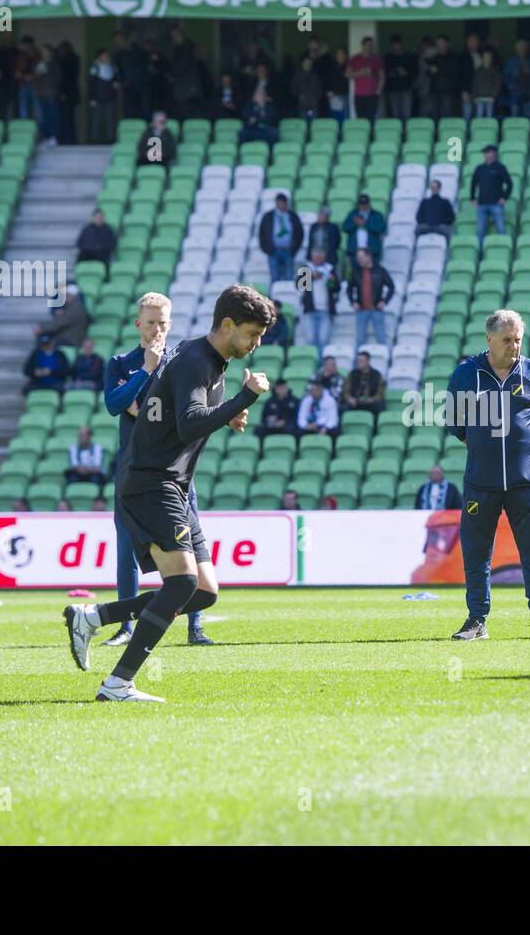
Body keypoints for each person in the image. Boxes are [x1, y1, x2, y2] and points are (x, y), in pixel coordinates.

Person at [63, 285, 275, 701]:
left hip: (172, 483)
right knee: (181, 584)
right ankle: (117, 684)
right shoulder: (198, 361)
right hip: (151, 482)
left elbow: (189, 415)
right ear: (227, 325)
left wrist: (228, 414)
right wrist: (243, 399)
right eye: (252, 334)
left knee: (203, 592)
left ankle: (93, 617)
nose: (257, 343)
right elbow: (190, 423)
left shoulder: (203, 356)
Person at [100, 293, 212, 647]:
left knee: (189, 549)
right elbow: (115, 405)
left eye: (163, 323)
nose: (157, 329)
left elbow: (173, 410)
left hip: (177, 471)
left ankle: (196, 625)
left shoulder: (181, 362)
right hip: (132, 471)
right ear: (138, 324)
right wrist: (147, 370)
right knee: (126, 548)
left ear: (171, 323)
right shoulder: (120, 363)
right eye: (150, 323)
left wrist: (141, 400)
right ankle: (125, 627)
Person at [446, 310, 530, 641]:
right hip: (481, 482)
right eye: (507, 340)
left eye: (518, 340)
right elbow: (455, 424)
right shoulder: (466, 374)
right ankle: (477, 620)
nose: (514, 347)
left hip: (527, 483)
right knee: (476, 555)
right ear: (489, 339)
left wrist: (524, 451)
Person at [347, 249, 393, 349]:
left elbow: (391, 286)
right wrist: (353, 302)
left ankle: (383, 360)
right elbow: (349, 289)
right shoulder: (356, 272)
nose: (358, 260)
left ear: (368, 257)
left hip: (376, 309)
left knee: (381, 338)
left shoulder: (380, 270)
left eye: (361, 257)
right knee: (360, 340)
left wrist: (385, 301)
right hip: (362, 310)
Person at [470, 144, 512, 248]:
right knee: (480, 231)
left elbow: (510, 184)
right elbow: (473, 183)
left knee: (501, 229)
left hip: (496, 204)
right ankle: (479, 256)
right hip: (482, 204)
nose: (485, 154)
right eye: (485, 153)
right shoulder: (480, 168)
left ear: (494, 153)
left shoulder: (500, 168)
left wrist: (504, 198)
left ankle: (503, 250)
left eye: (487, 152)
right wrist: (472, 198)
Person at [296, 247, 336, 353]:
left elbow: (337, 288)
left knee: (323, 340)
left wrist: (333, 280)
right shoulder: (306, 269)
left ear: (324, 258)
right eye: (316, 257)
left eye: (320, 257)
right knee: (310, 340)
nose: (317, 259)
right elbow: (299, 285)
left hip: (325, 309)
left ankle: (321, 366)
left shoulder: (329, 269)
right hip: (310, 309)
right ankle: (311, 365)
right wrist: (311, 277)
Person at [258, 193, 304, 284]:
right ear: (276, 203)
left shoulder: (293, 216)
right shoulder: (268, 216)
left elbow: (300, 233)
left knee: (289, 277)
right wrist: (267, 249)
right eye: (279, 202)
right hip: (273, 251)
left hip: (288, 251)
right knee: (275, 277)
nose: (281, 204)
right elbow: (262, 234)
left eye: (283, 203)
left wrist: (294, 249)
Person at [341, 194, 385, 269]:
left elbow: (381, 229)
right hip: (355, 250)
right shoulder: (352, 214)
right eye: (361, 204)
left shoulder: (377, 215)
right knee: (355, 274)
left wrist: (365, 223)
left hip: (371, 250)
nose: (363, 206)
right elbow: (345, 228)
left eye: (365, 204)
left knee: (372, 273)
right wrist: (354, 223)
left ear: (369, 204)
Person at [346, 36, 383, 121]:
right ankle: (362, 134)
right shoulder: (355, 58)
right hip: (359, 95)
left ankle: (370, 135)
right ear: (363, 45)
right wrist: (360, 73)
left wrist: (378, 90)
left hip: (372, 95)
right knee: (360, 119)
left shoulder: (376, 58)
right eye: (367, 45)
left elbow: (382, 76)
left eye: (371, 45)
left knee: (372, 119)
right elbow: (347, 74)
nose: (369, 47)